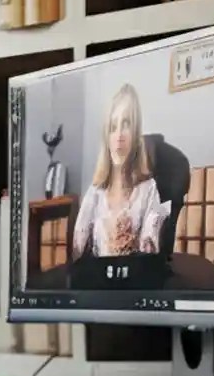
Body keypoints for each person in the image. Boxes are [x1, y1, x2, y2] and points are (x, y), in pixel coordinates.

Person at [70, 83, 171, 260]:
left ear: (136, 135)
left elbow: (150, 250)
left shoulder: (148, 189)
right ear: (106, 138)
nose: (119, 136)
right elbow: (76, 252)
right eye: (112, 127)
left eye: (126, 124)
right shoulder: (95, 193)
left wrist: (134, 240)